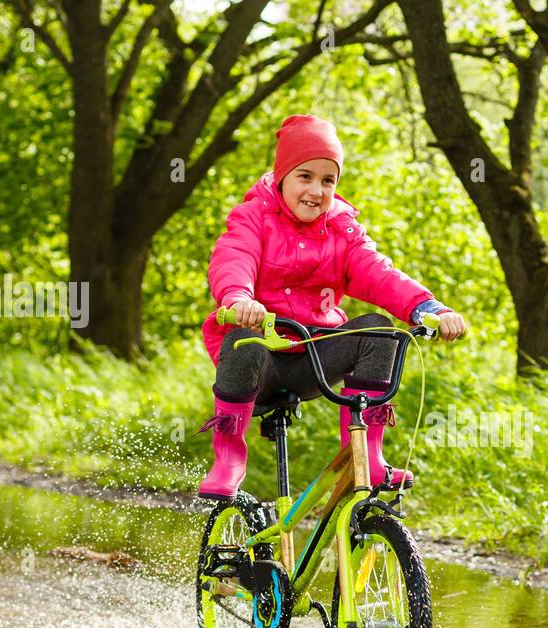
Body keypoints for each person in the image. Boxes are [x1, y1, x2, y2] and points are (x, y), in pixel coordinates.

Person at [197, 113, 466, 500]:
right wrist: (238, 297)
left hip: (315, 356)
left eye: (328, 180)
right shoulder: (255, 218)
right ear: (281, 177)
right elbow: (233, 256)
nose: (316, 190)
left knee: (380, 329)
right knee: (243, 340)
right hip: (264, 363)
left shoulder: (342, 230)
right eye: (304, 176)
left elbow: (380, 273)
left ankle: (366, 456)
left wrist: (427, 308)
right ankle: (228, 457)